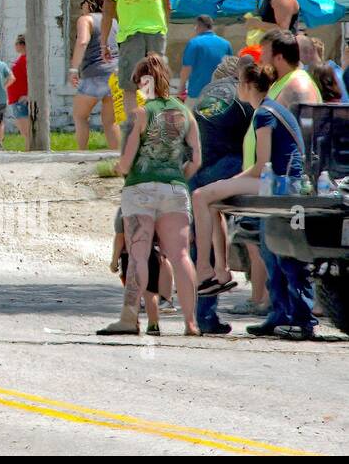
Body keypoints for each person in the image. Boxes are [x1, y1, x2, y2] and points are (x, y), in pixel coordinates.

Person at [192, 60, 314, 339]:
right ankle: (220, 274)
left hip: (278, 182)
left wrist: (230, 183)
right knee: (212, 204)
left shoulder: (264, 114)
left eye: (239, 84)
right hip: (280, 180)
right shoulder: (269, 108)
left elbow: (262, 164)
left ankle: (211, 271)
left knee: (202, 196)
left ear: (247, 85)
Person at [99, 54, 200, 336]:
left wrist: (116, 169)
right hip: (174, 190)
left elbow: (127, 160)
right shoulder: (186, 113)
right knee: (180, 255)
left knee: (139, 254)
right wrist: (177, 178)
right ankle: (191, 322)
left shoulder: (140, 115)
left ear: (144, 83)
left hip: (140, 189)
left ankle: (130, 319)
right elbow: (195, 160)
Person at [187, 56, 254, 334]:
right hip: (226, 164)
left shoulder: (205, 94)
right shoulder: (242, 94)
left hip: (196, 169)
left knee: (198, 244)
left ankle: (201, 316)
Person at [100, 0, 172, 113]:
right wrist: (164, 29)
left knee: (130, 86)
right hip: (156, 33)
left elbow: (107, 13)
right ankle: (155, 122)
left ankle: (134, 127)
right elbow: (168, 5)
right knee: (154, 80)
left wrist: (104, 44)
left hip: (131, 36)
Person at [69, 0, 118, 150]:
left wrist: (74, 70)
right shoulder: (113, 21)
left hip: (95, 73)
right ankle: (118, 158)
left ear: (89, 4)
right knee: (110, 121)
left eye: (82, 4)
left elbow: (82, 42)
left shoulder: (86, 20)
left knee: (80, 115)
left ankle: (81, 154)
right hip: (115, 73)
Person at [110, 206, 166, 334]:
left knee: (132, 291)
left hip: (129, 255)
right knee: (151, 293)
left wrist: (114, 260)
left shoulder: (124, 209)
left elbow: (120, 237)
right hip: (151, 254)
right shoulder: (155, 208)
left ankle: (132, 322)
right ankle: (153, 324)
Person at [260, 30, 321, 112]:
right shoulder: (282, 81)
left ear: (279, 58)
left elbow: (308, 121)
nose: (261, 59)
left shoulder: (299, 84)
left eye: (264, 53)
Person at [179, 16, 230, 108]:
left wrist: (181, 87)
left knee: (191, 120)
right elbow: (230, 68)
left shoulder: (194, 43)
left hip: (197, 94)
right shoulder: (226, 44)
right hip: (219, 94)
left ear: (198, 26)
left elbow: (187, 68)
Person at [6, 34, 30, 147]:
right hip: (16, 99)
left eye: (16, 43)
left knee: (26, 131)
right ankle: (29, 150)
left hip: (21, 99)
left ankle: (30, 151)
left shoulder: (26, 60)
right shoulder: (22, 58)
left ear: (22, 45)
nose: (15, 46)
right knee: (24, 130)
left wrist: (28, 95)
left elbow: (32, 78)